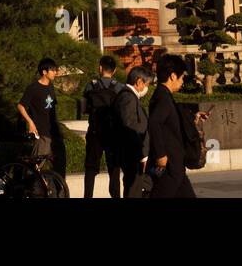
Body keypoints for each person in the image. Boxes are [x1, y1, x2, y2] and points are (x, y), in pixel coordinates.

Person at [146, 53, 206, 199]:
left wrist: (194, 117)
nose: (182, 81)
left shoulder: (164, 95)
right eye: (181, 77)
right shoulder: (163, 98)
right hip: (170, 165)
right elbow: (154, 123)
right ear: (173, 76)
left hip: (176, 165)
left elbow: (170, 123)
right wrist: (161, 155)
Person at [81, 55, 122, 198]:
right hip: (113, 135)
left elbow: (83, 109)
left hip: (95, 133)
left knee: (90, 169)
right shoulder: (119, 87)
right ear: (114, 70)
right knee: (114, 170)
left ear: (100, 68)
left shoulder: (90, 85)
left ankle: (88, 196)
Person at [17, 57, 65, 175]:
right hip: (42, 133)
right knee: (36, 167)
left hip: (54, 132)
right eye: (52, 70)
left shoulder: (51, 87)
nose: (55, 72)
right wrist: (30, 122)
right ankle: (29, 189)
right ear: (44, 72)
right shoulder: (33, 88)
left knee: (59, 166)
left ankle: (56, 190)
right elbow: (21, 106)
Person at [114, 65, 151, 197]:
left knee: (144, 186)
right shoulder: (128, 98)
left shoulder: (130, 97)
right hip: (133, 155)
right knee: (133, 190)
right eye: (146, 84)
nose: (147, 88)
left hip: (134, 154)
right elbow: (129, 127)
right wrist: (142, 155)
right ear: (139, 81)